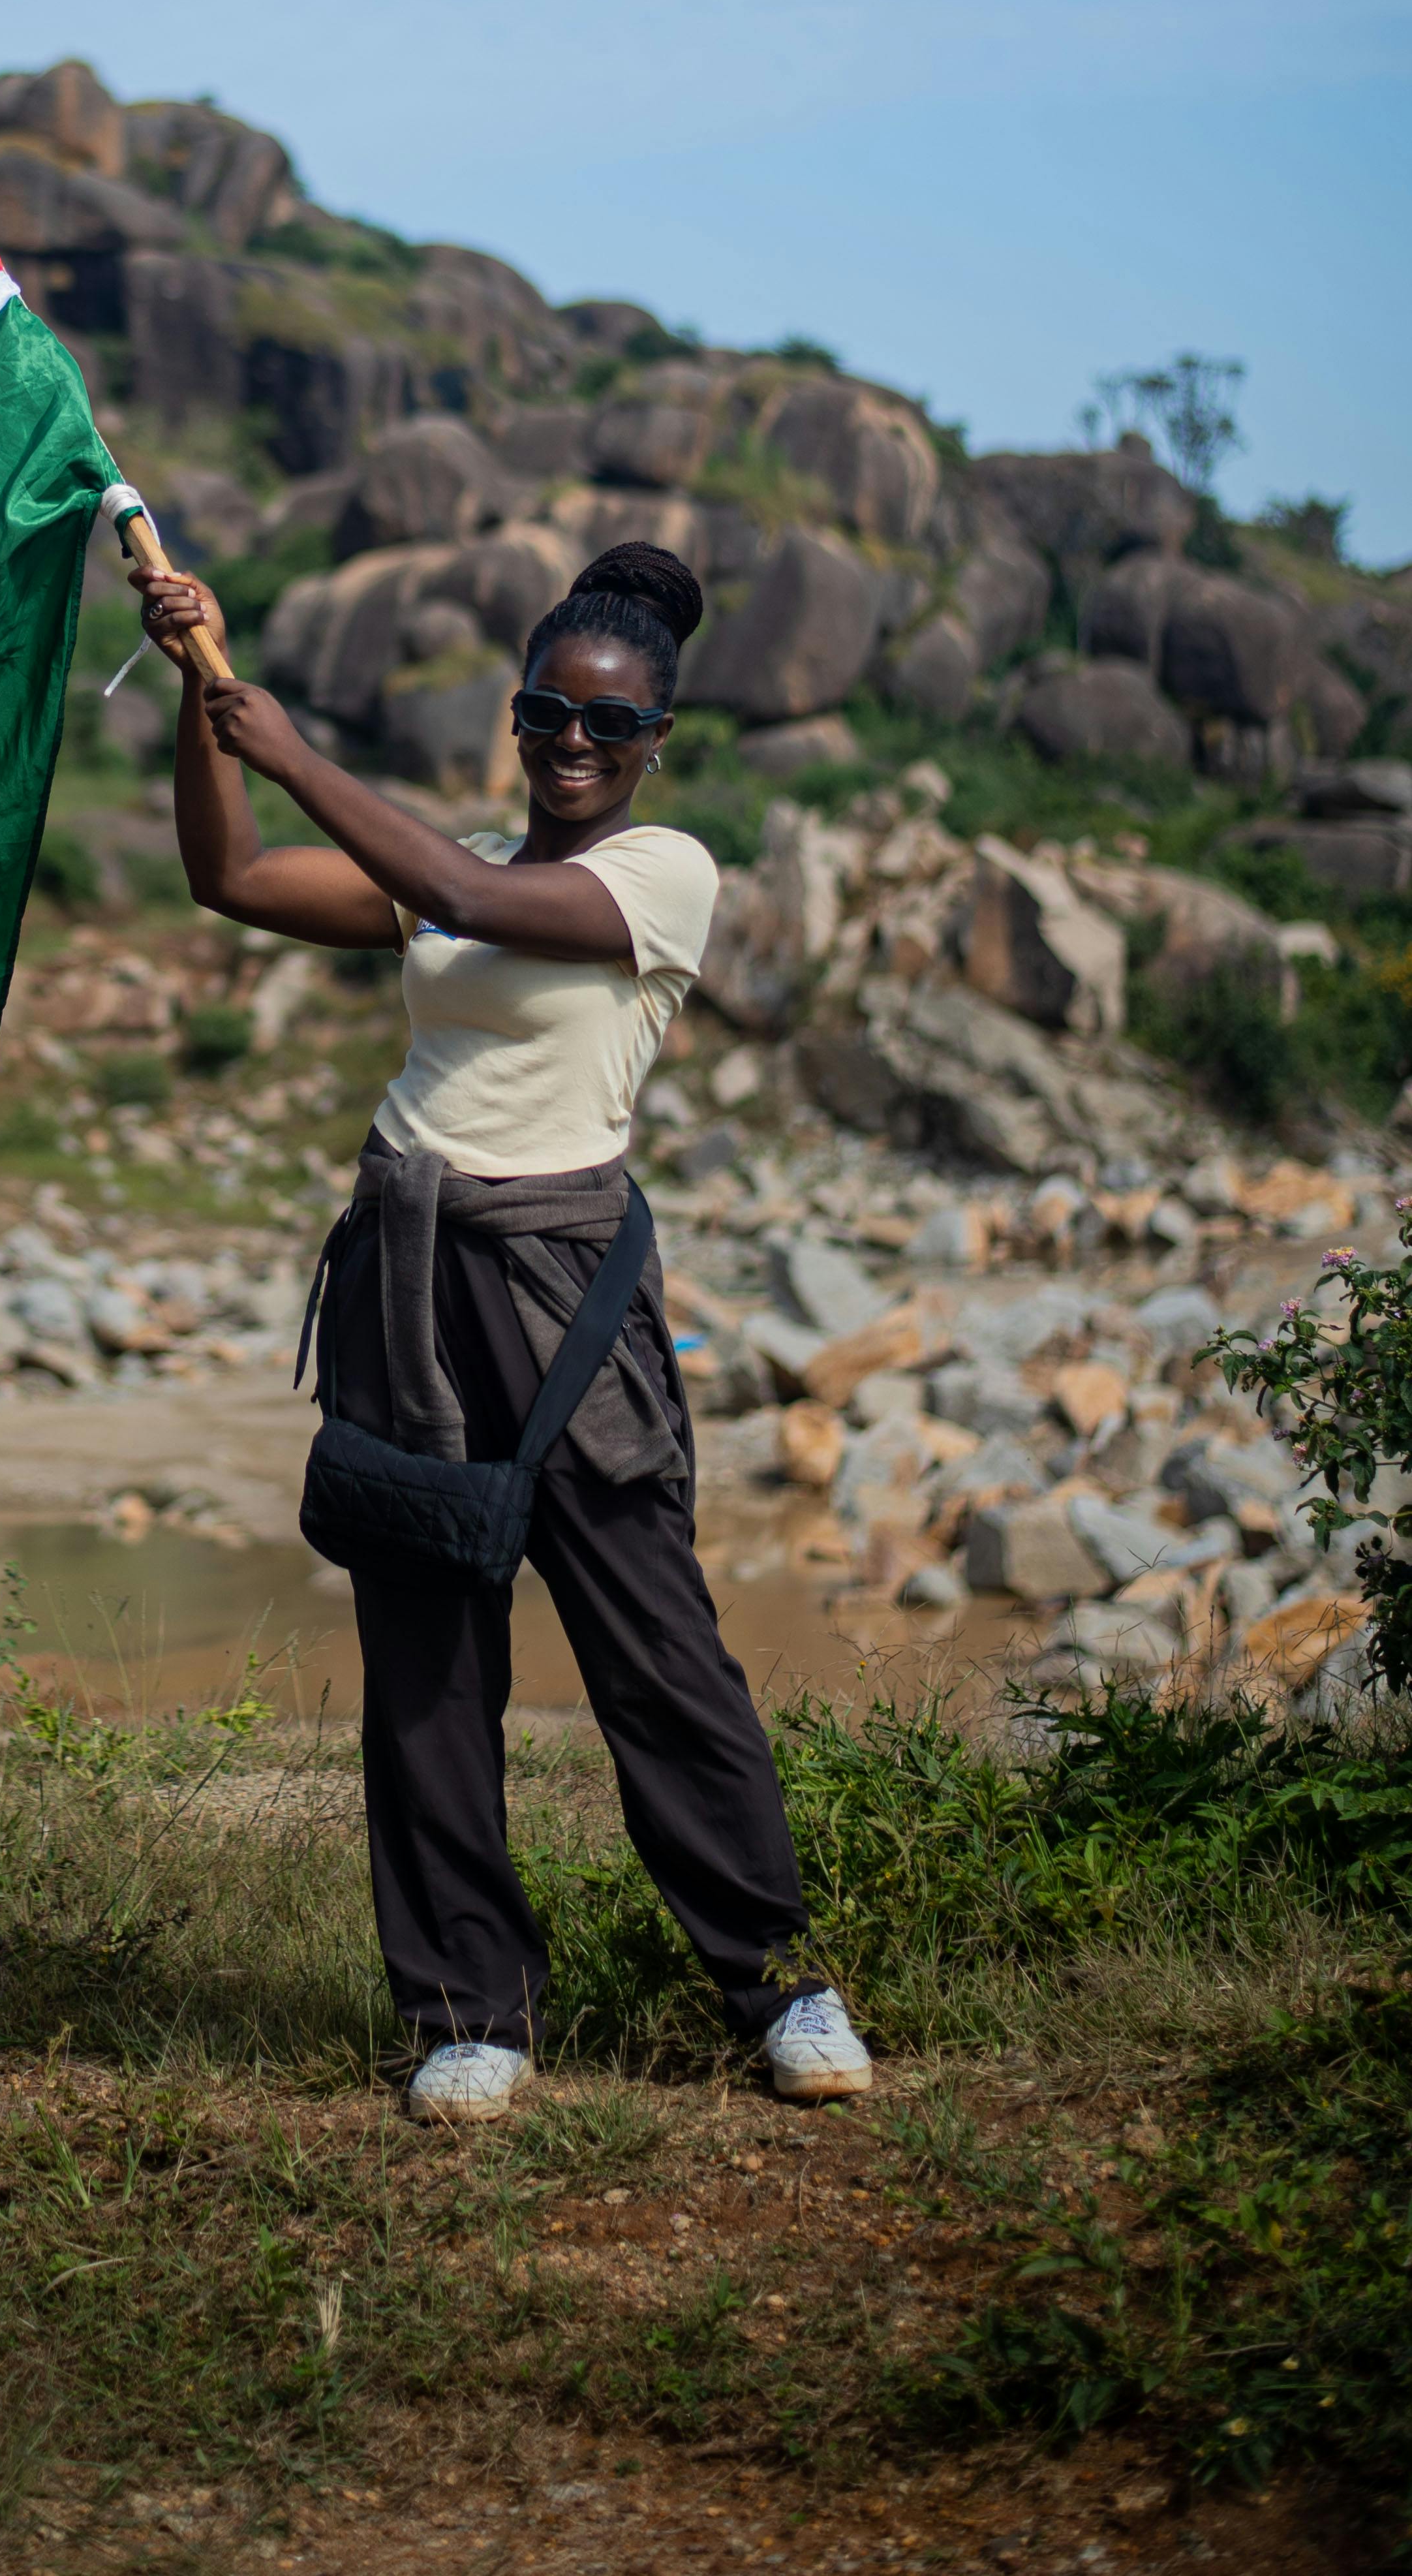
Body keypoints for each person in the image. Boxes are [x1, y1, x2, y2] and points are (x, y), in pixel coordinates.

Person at [134, 538, 870, 2121]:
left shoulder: (657, 873)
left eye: (613, 725)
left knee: (656, 1649)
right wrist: (209, 704)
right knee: (422, 1657)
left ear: (655, 742)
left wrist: (294, 743)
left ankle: (780, 1983)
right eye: (552, 711)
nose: (578, 744)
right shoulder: (450, 849)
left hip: (562, 1280)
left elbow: (470, 895)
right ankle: (468, 2006)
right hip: (407, 1265)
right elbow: (235, 878)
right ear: (516, 711)